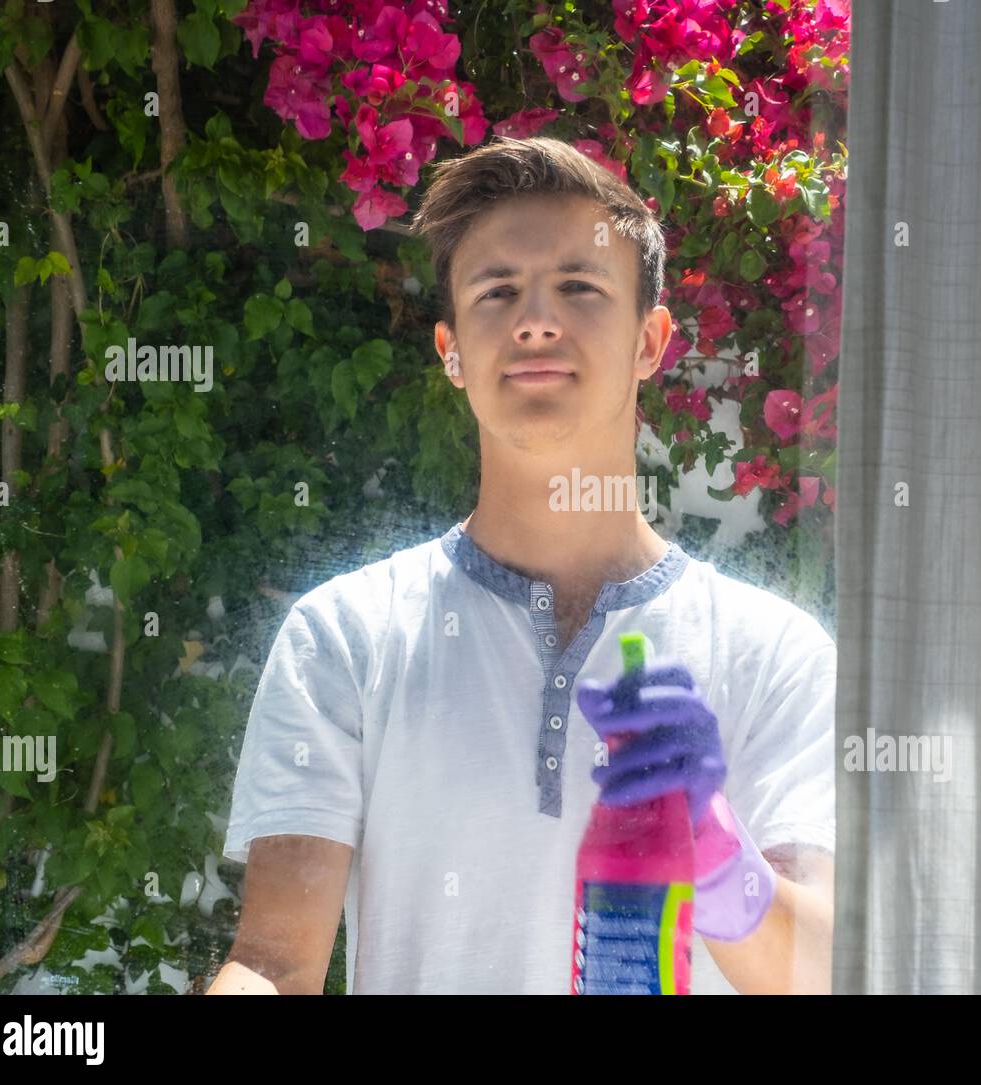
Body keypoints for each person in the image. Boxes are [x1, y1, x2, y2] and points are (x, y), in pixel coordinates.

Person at [207, 137, 836, 995]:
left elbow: (821, 975)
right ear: (451, 350)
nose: (536, 320)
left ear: (652, 340)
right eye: (497, 292)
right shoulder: (344, 636)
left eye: (579, 287)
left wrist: (720, 853)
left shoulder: (778, 655)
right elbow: (274, 965)